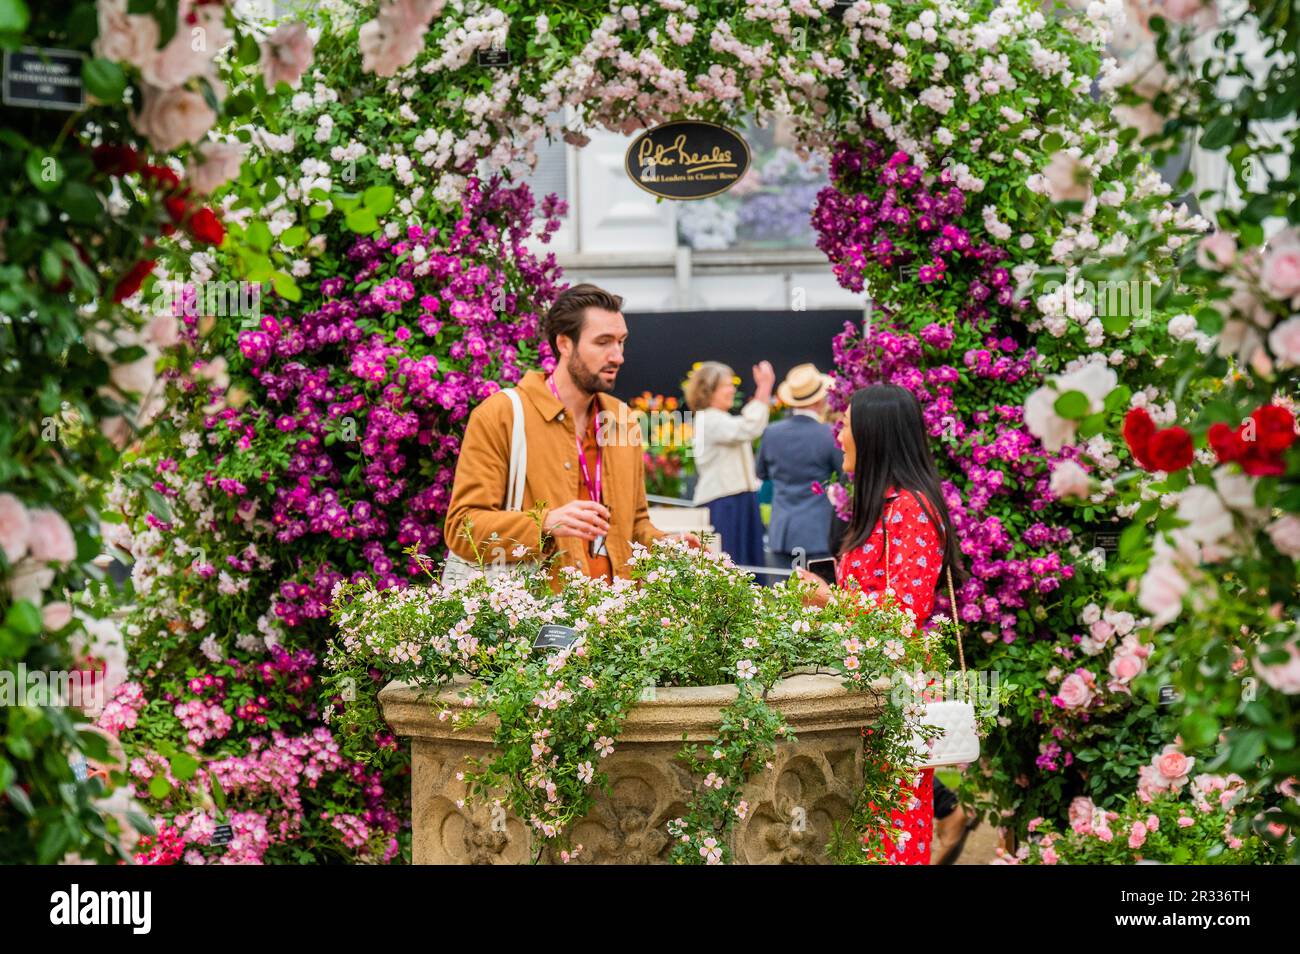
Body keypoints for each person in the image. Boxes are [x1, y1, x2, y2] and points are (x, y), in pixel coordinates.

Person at [796, 384, 966, 865]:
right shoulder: (888, 506)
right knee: (872, 829)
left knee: (891, 834)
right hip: (872, 692)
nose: (840, 432)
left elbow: (903, 614)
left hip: (895, 695)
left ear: (874, 435)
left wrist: (828, 598)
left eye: (846, 422)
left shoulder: (910, 508)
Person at [444, 283, 695, 587]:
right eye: (603, 342)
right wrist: (545, 522)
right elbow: (462, 528)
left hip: (620, 622)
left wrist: (668, 544)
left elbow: (636, 524)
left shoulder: (623, 419)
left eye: (621, 342)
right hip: (538, 624)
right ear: (564, 344)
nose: (618, 356)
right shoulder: (501, 415)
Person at [686, 359, 774, 570]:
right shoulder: (709, 419)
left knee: (744, 568)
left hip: (738, 501)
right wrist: (764, 388)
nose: (733, 389)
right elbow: (749, 427)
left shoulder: (719, 418)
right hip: (725, 504)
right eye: (727, 385)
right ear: (709, 390)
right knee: (731, 567)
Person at [756, 363, 839, 582]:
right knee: (822, 606)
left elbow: (761, 473)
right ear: (820, 400)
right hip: (819, 532)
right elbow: (844, 477)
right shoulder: (828, 434)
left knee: (781, 604)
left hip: (781, 531)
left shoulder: (771, 433)